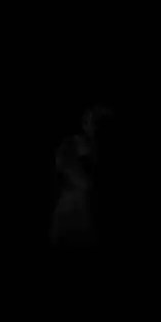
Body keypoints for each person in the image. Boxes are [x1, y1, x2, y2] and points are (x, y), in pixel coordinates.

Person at [51, 105, 111, 250]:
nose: (97, 126)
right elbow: (83, 182)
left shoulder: (98, 148)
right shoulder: (72, 145)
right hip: (72, 214)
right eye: (93, 120)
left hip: (90, 217)